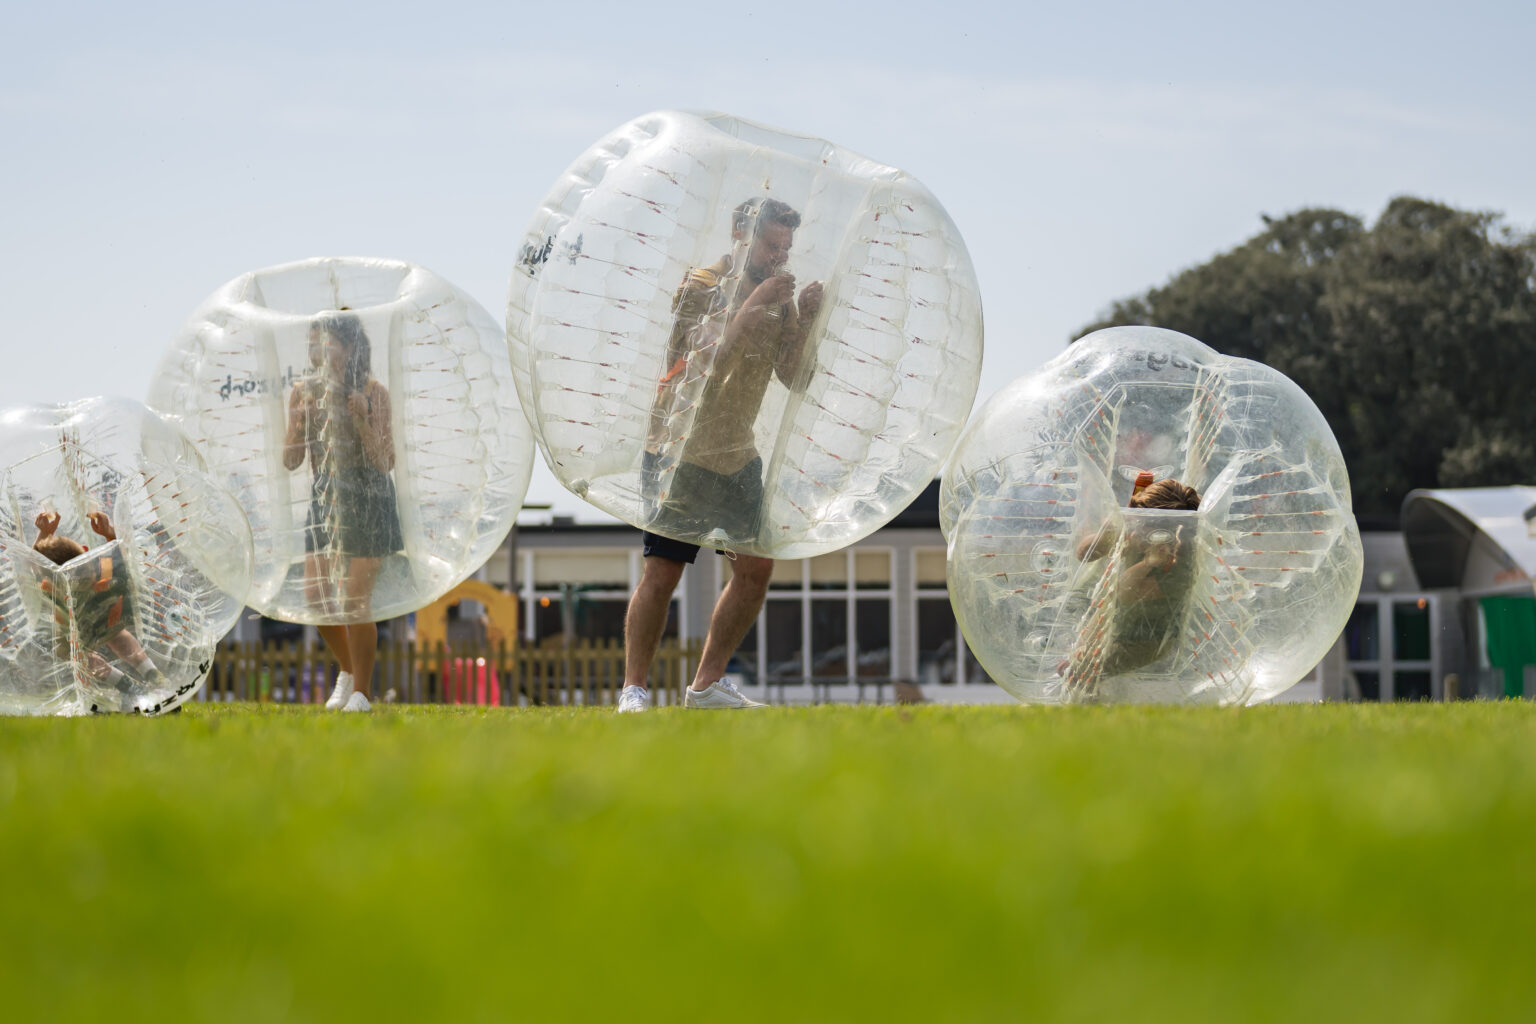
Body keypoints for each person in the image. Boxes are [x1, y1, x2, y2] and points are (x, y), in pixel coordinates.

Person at [619, 198, 823, 712]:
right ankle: (634, 689)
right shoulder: (701, 286)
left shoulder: (778, 294)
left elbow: (794, 377)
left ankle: (705, 687)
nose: (779, 257)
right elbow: (700, 365)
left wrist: (806, 318)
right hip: (680, 446)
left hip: (737, 451)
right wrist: (755, 304)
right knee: (663, 571)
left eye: (785, 248)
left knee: (754, 570)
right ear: (739, 233)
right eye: (770, 245)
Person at [282, 311, 403, 712]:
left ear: (349, 347)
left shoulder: (374, 391)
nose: (317, 350)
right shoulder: (302, 392)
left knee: (354, 599)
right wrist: (297, 424)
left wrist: (364, 419)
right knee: (316, 595)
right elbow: (290, 461)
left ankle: (363, 694)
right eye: (313, 343)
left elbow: (386, 461)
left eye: (326, 342)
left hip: (369, 497)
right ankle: (348, 671)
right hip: (325, 496)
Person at [1063, 477, 1202, 701]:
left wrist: (1149, 563)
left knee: (1079, 672)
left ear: (1168, 528)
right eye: (1140, 519)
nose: (1141, 527)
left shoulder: (1183, 562)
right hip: (1107, 620)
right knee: (1079, 674)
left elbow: (1125, 591)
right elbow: (1083, 554)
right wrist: (1113, 531)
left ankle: (1088, 712)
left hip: (1146, 641)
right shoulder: (1136, 531)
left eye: (1147, 524)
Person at [32, 509, 165, 711]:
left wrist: (44, 534)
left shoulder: (59, 583)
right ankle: (147, 679)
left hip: (87, 622)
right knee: (108, 640)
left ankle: (135, 684)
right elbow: (118, 553)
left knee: (82, 651)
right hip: (86, 621)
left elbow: (37, 564)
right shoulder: (95, 568)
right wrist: (108, 532)